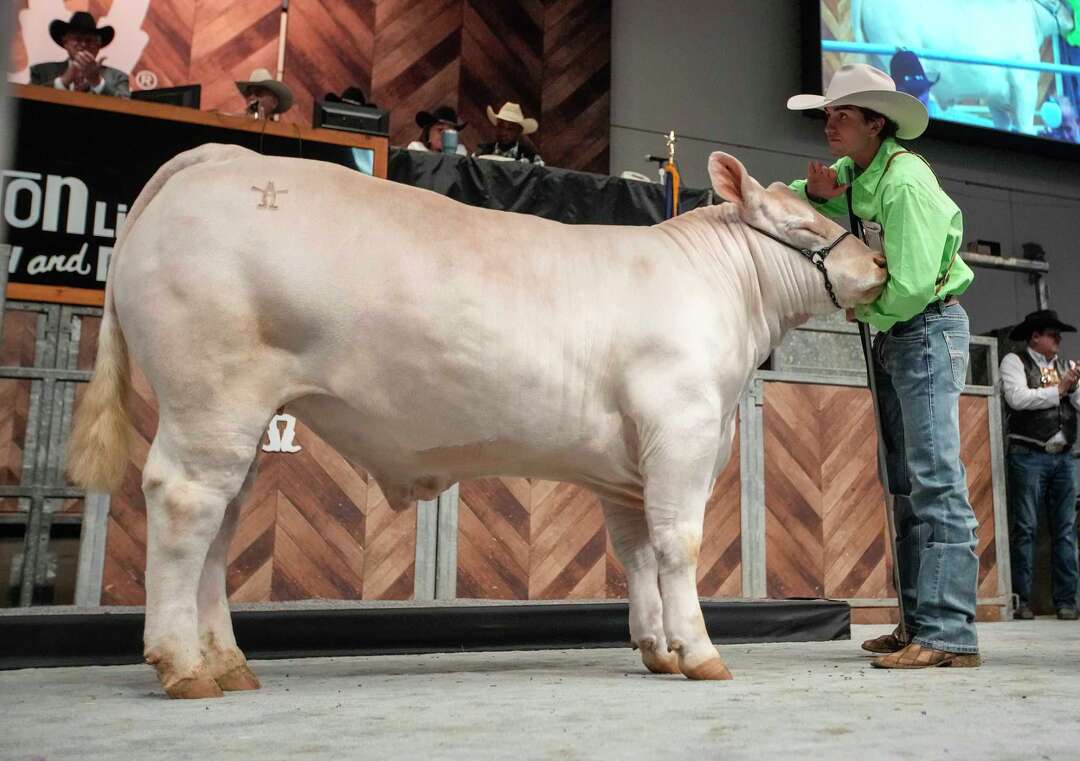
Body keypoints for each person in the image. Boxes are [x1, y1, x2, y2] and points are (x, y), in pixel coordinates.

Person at [788, 63, 980, 668]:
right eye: (827, 115)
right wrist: (811, 196)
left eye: (842, 115)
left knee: (934, 478)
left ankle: (948, 634)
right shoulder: (856, 172)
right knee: (906, 482)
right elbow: (798, 196)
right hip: (901, 333)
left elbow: (915, 285)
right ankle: (921, 623)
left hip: (923, 327)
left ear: (876, 123)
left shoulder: (903, 184)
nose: (829, 125)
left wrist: (863, 308)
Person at [1000, 309, 1080, 621]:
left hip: (1064, 456)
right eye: (1052, 333)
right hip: (1028, 453)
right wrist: (1058, 390)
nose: (1058, 339)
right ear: (1035, 336)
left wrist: (1073, 388)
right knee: (1025, 528)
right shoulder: (1014, 361)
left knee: (1065, 530)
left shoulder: (1066, 367)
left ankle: (1067, 601)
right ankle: (1022, 600)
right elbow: (1017, 398)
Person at [29, 11, 130, 98]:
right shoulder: (40, 72)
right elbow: (28, 102)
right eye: (77, 39)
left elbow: (127, 107)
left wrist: (97, 82)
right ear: (65, 42)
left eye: (89, 40)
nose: (83, 44)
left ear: (98, 46)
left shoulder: (118, 77)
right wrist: (63, 81)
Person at [475, 101, 544, 165]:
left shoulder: (530, 157)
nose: (503, 132)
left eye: (510, 129)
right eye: (501, 126)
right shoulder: (483, 151)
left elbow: (541, 171)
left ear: (519, 131)